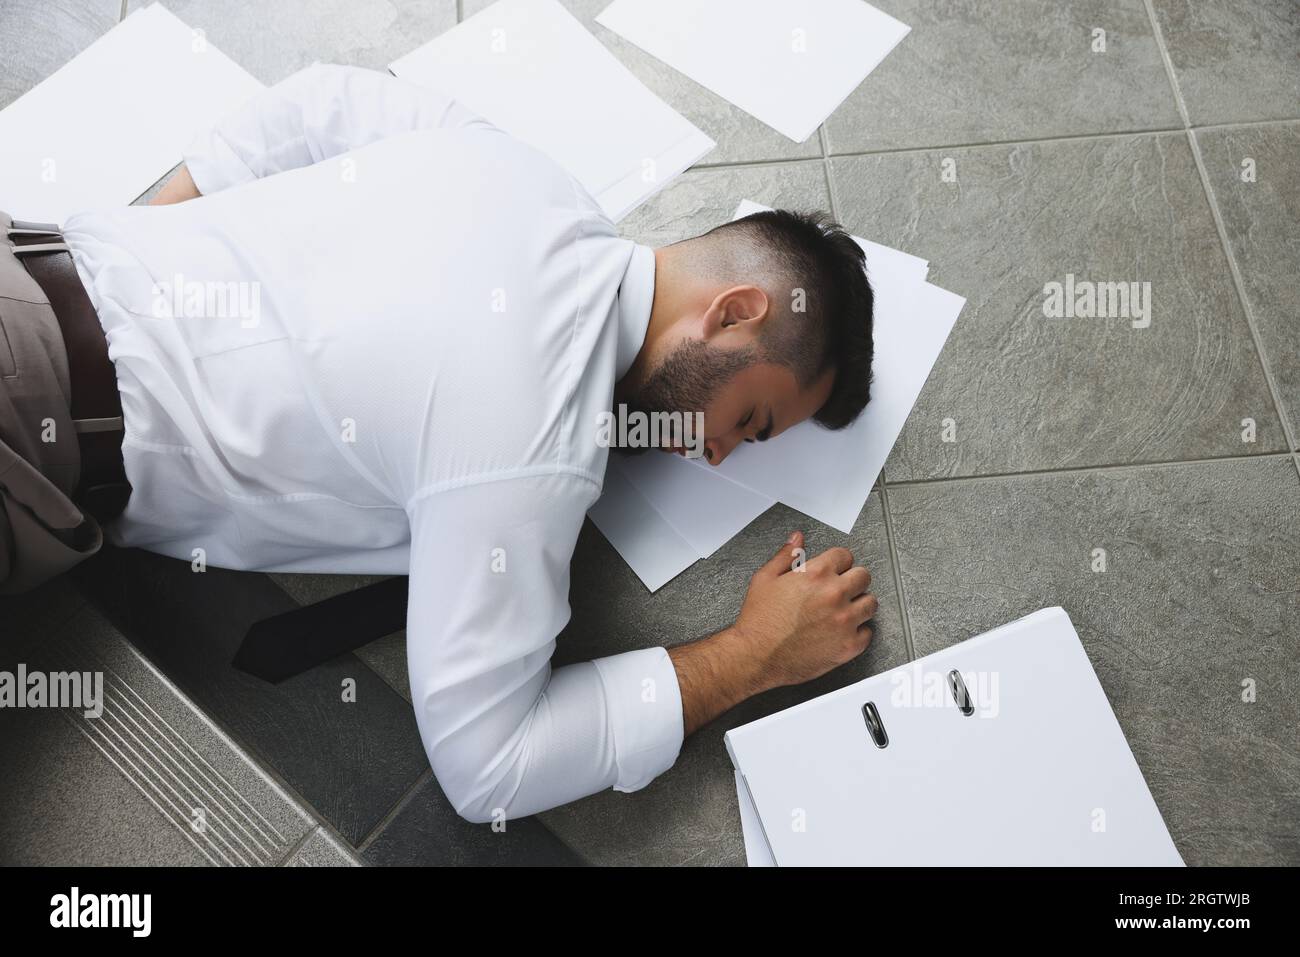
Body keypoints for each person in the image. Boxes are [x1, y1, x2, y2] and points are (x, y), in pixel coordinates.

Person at [0, 64, 878, 822]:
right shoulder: (538, 440)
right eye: (751, 422)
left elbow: (314, 102)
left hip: (30, 262)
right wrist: (751, 655)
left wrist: (137, 252)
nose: (721, 453)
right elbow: (488, 764)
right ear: (732, 316)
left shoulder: (521, 171)